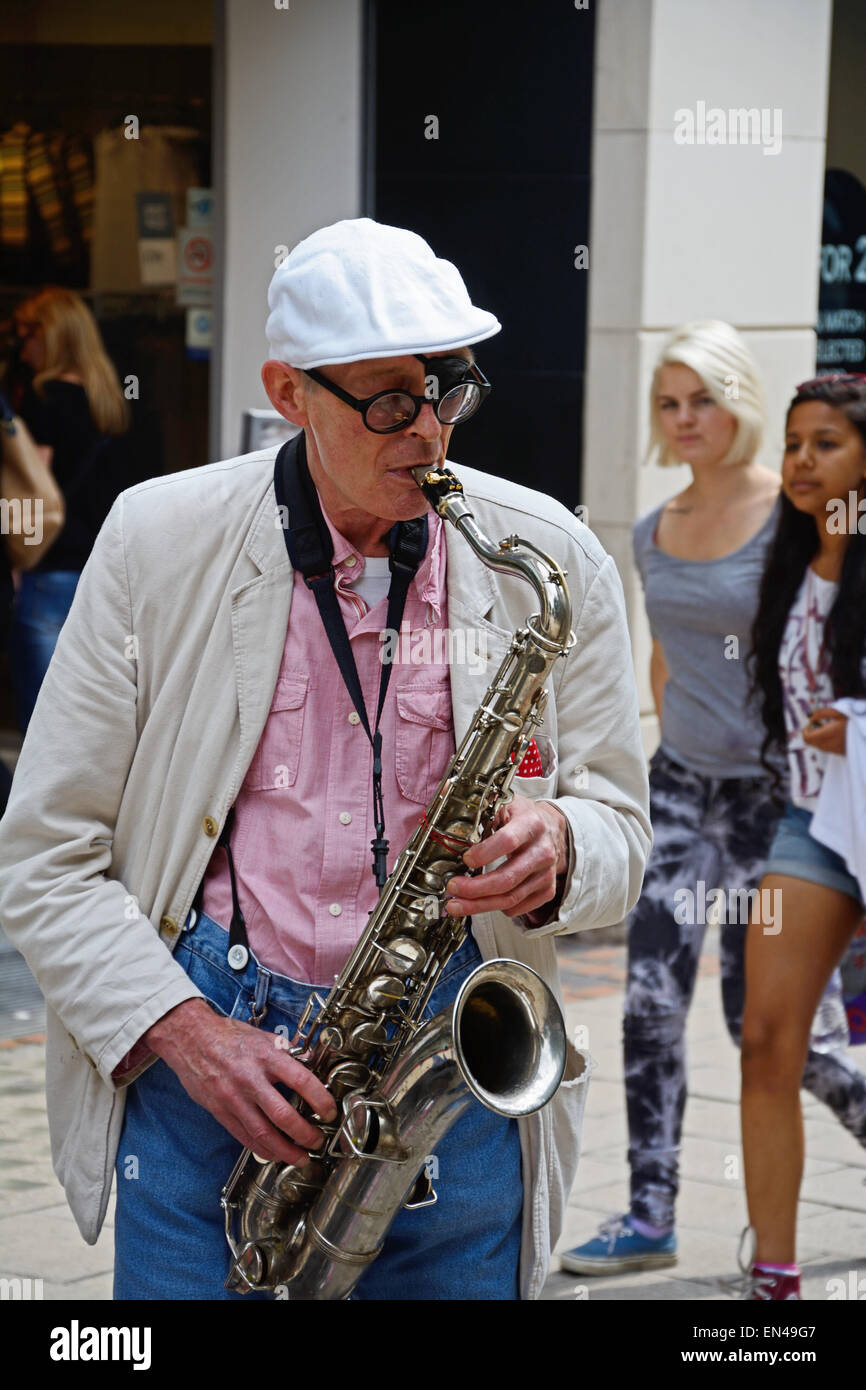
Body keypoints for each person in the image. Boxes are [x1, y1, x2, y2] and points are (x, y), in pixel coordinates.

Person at [0, 218, 651, 1301]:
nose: (429, 434)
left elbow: (625, 832)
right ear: (288, 392)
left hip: (446, 1064)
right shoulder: (155, 539)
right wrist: (184, 1032)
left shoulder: (549, 553)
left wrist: (563, 842)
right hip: (206, 1080)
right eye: (388, 401)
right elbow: (46, 852)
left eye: (446, 390)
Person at [560, 324, 866, 1278]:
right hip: (683, 788)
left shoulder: (799, 512)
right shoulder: (653, 531)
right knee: (648, 1002)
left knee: (765, 1032)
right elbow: (669, 652)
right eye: (668, 403)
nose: (686, 420)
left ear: (736, 403)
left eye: (704, 400)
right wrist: (656, 736)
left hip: (774, 800)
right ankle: (649, 1217)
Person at [740, 373, 866, 1300]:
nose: (803, 461)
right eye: (793, 443)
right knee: (767, 1036)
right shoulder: (790, 560)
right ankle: (776, 1279)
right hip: (815, 824)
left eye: (826, 442)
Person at [7, 286, 128, 731]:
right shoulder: (110, 402)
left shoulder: (42, 398)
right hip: (104, 572)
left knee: (43, 723)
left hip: (50, 571)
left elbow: (27, 492)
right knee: (87, 713)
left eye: (28, 332)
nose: (23, 345)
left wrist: (17, 558)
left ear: (53, 334)